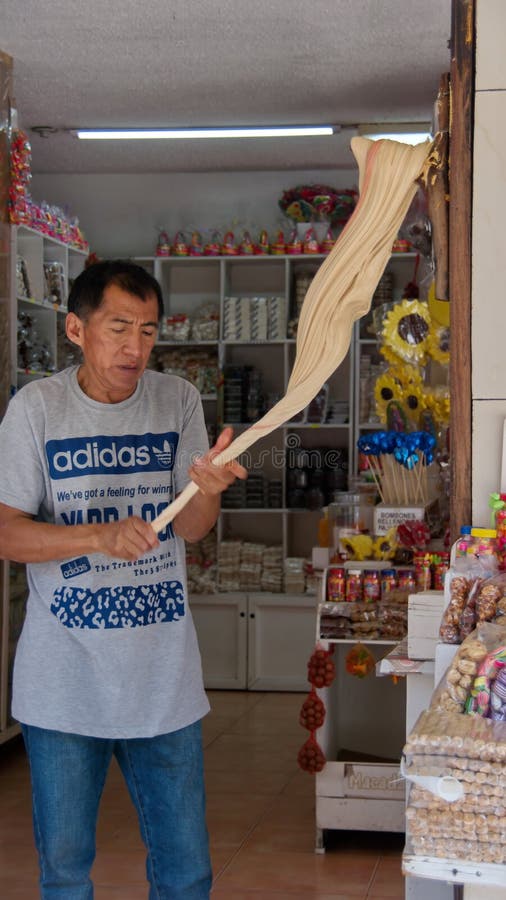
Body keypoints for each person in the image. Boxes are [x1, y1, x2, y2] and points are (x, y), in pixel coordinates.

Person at [0, 259, 247, 899]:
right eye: (118, 328)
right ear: (76, 330)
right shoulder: (36, 409)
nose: (134, 347)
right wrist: (97, 537)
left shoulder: (177, 399)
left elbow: (192, 528)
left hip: (161, 677)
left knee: (186, 871)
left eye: (147, 330)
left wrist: (208, 488)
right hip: (62, 682)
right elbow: (7, 533)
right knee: (64, 873)